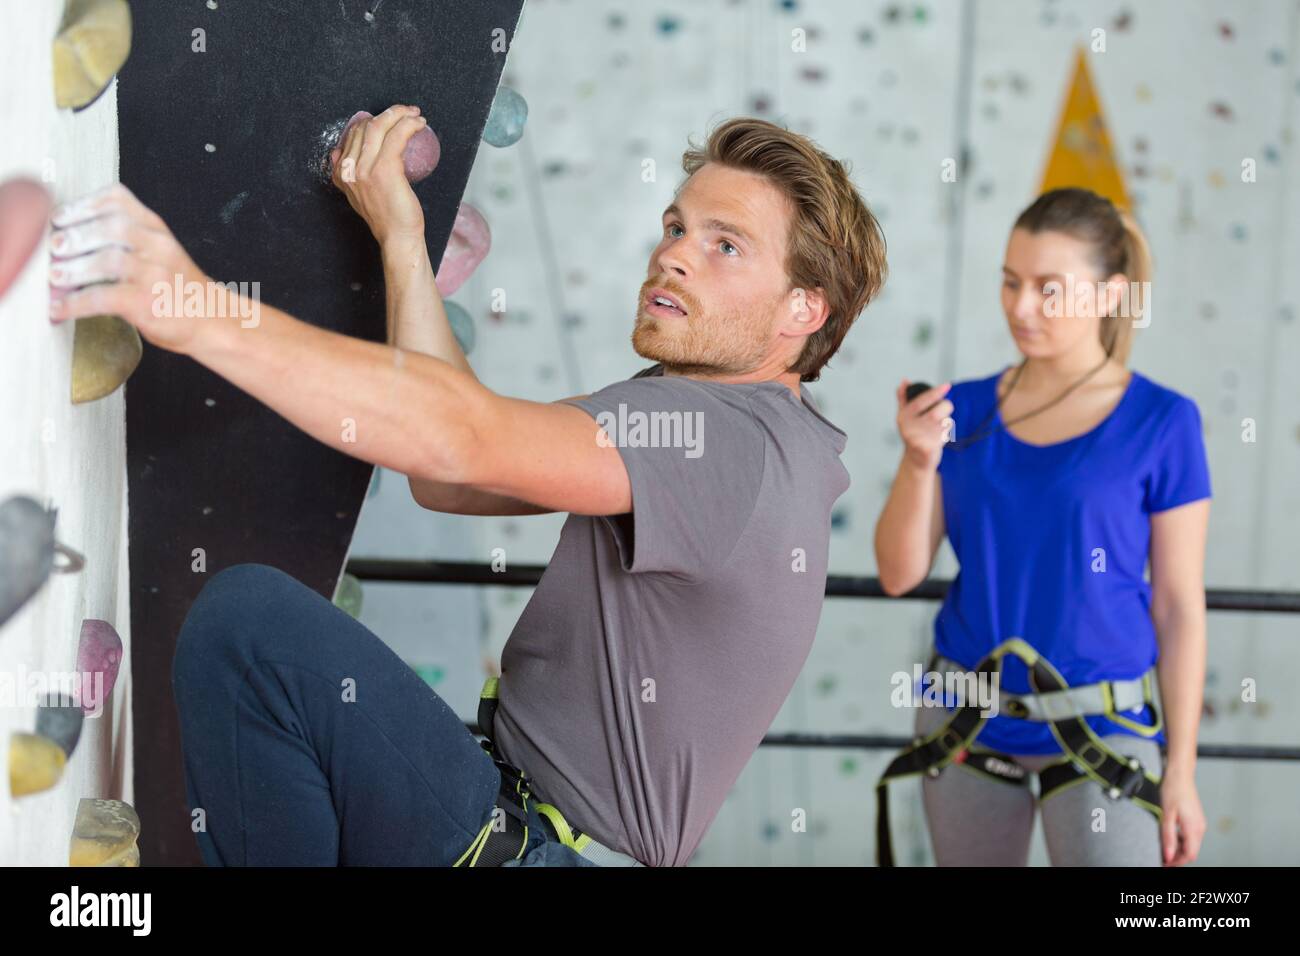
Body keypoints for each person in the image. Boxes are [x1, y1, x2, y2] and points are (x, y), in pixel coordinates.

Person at [47, 106, 887, 866]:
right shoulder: (747, 431)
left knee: (253, 629)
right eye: (677, 224)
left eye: (724, 244)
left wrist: (192, 306)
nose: (672, 252)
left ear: (802, 311)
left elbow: (457, 438)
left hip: (535, 848)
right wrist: (402, 238)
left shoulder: (720, 438)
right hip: (500, 819)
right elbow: (451, 475)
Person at [873, 187, 1211, 867]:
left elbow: (1178, 605)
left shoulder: (1165, 422)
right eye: (1010, 283)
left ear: (1110, 295)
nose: (1021, 307)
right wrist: (917, 461)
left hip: (1106, 726)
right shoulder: (958, 409)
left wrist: (1181, 772)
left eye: (1049, 289)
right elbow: (899, 572)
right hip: (966, 716)